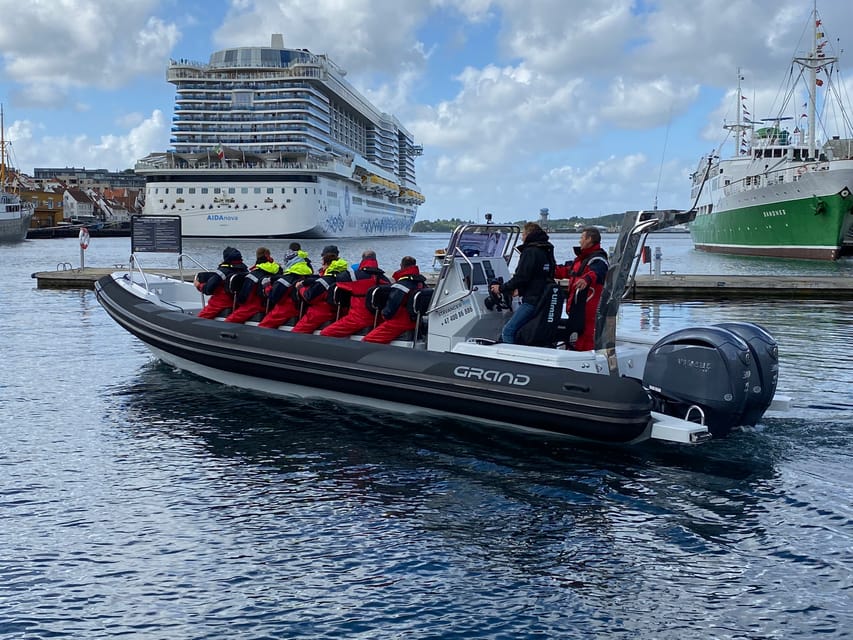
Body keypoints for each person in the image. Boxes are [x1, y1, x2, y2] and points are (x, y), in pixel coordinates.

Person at [488, 222, 555, 344]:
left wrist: (501, 288)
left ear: (529, 234)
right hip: (542, 299)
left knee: (508, 331)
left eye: (523, 234)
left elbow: (521, 277)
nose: (521, 237)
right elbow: (539, 276)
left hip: (532, 300)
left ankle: (510, 359)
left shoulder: (530, 251)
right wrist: (521, 290)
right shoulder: (545, 250)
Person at [554, 226, 609, 351]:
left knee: (586, 339)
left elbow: (597, 272)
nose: (580, 241)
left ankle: (585, 362)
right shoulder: (581, 260)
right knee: (577, 335)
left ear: (589, 239)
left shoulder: (598, 259)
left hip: (588, 310)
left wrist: (586, 280)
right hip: (577, 310)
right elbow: (566, 271)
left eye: (582, 238)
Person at [319, 250, 391, 338]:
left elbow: (338, 280)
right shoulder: (384, 279)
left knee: (325, 333)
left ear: (363, 260)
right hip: (377, 317)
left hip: (357, 318)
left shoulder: (354, 276)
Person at [363, 256, 427, 344]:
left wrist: (384, 314)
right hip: (415, 321)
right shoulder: (421, 282)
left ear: (402, 266)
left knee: (367, 340)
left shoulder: (402, 285)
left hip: (399, 322)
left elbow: (392, 305)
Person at [290, 246, 350, 334]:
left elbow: (309, 297)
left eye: (323, 264)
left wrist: (300, 288)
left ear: (327, 263)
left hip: (321, 312)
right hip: (338, 311)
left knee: (297, 332)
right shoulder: (344, 275)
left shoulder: (324, 281)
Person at [257, 247, 314, 329]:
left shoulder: (285, 280)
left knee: (263, 326)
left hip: (285, 309)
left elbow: (273, 297)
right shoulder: (308, 275)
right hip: (302, 308)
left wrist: (267, 286)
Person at [224, 247, 281, 323]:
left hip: (254, 306)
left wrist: (238, 302)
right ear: (268, 256)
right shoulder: (278, 270)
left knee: (229, 321)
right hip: (271, 306)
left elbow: (244, 295)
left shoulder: (254, 275)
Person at [195, 246, 248, 319]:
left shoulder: (222, 272)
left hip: (219, 304)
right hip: (237, 304)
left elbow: (208, 289)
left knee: (200, 319)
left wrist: (199, 285)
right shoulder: (245, 271)